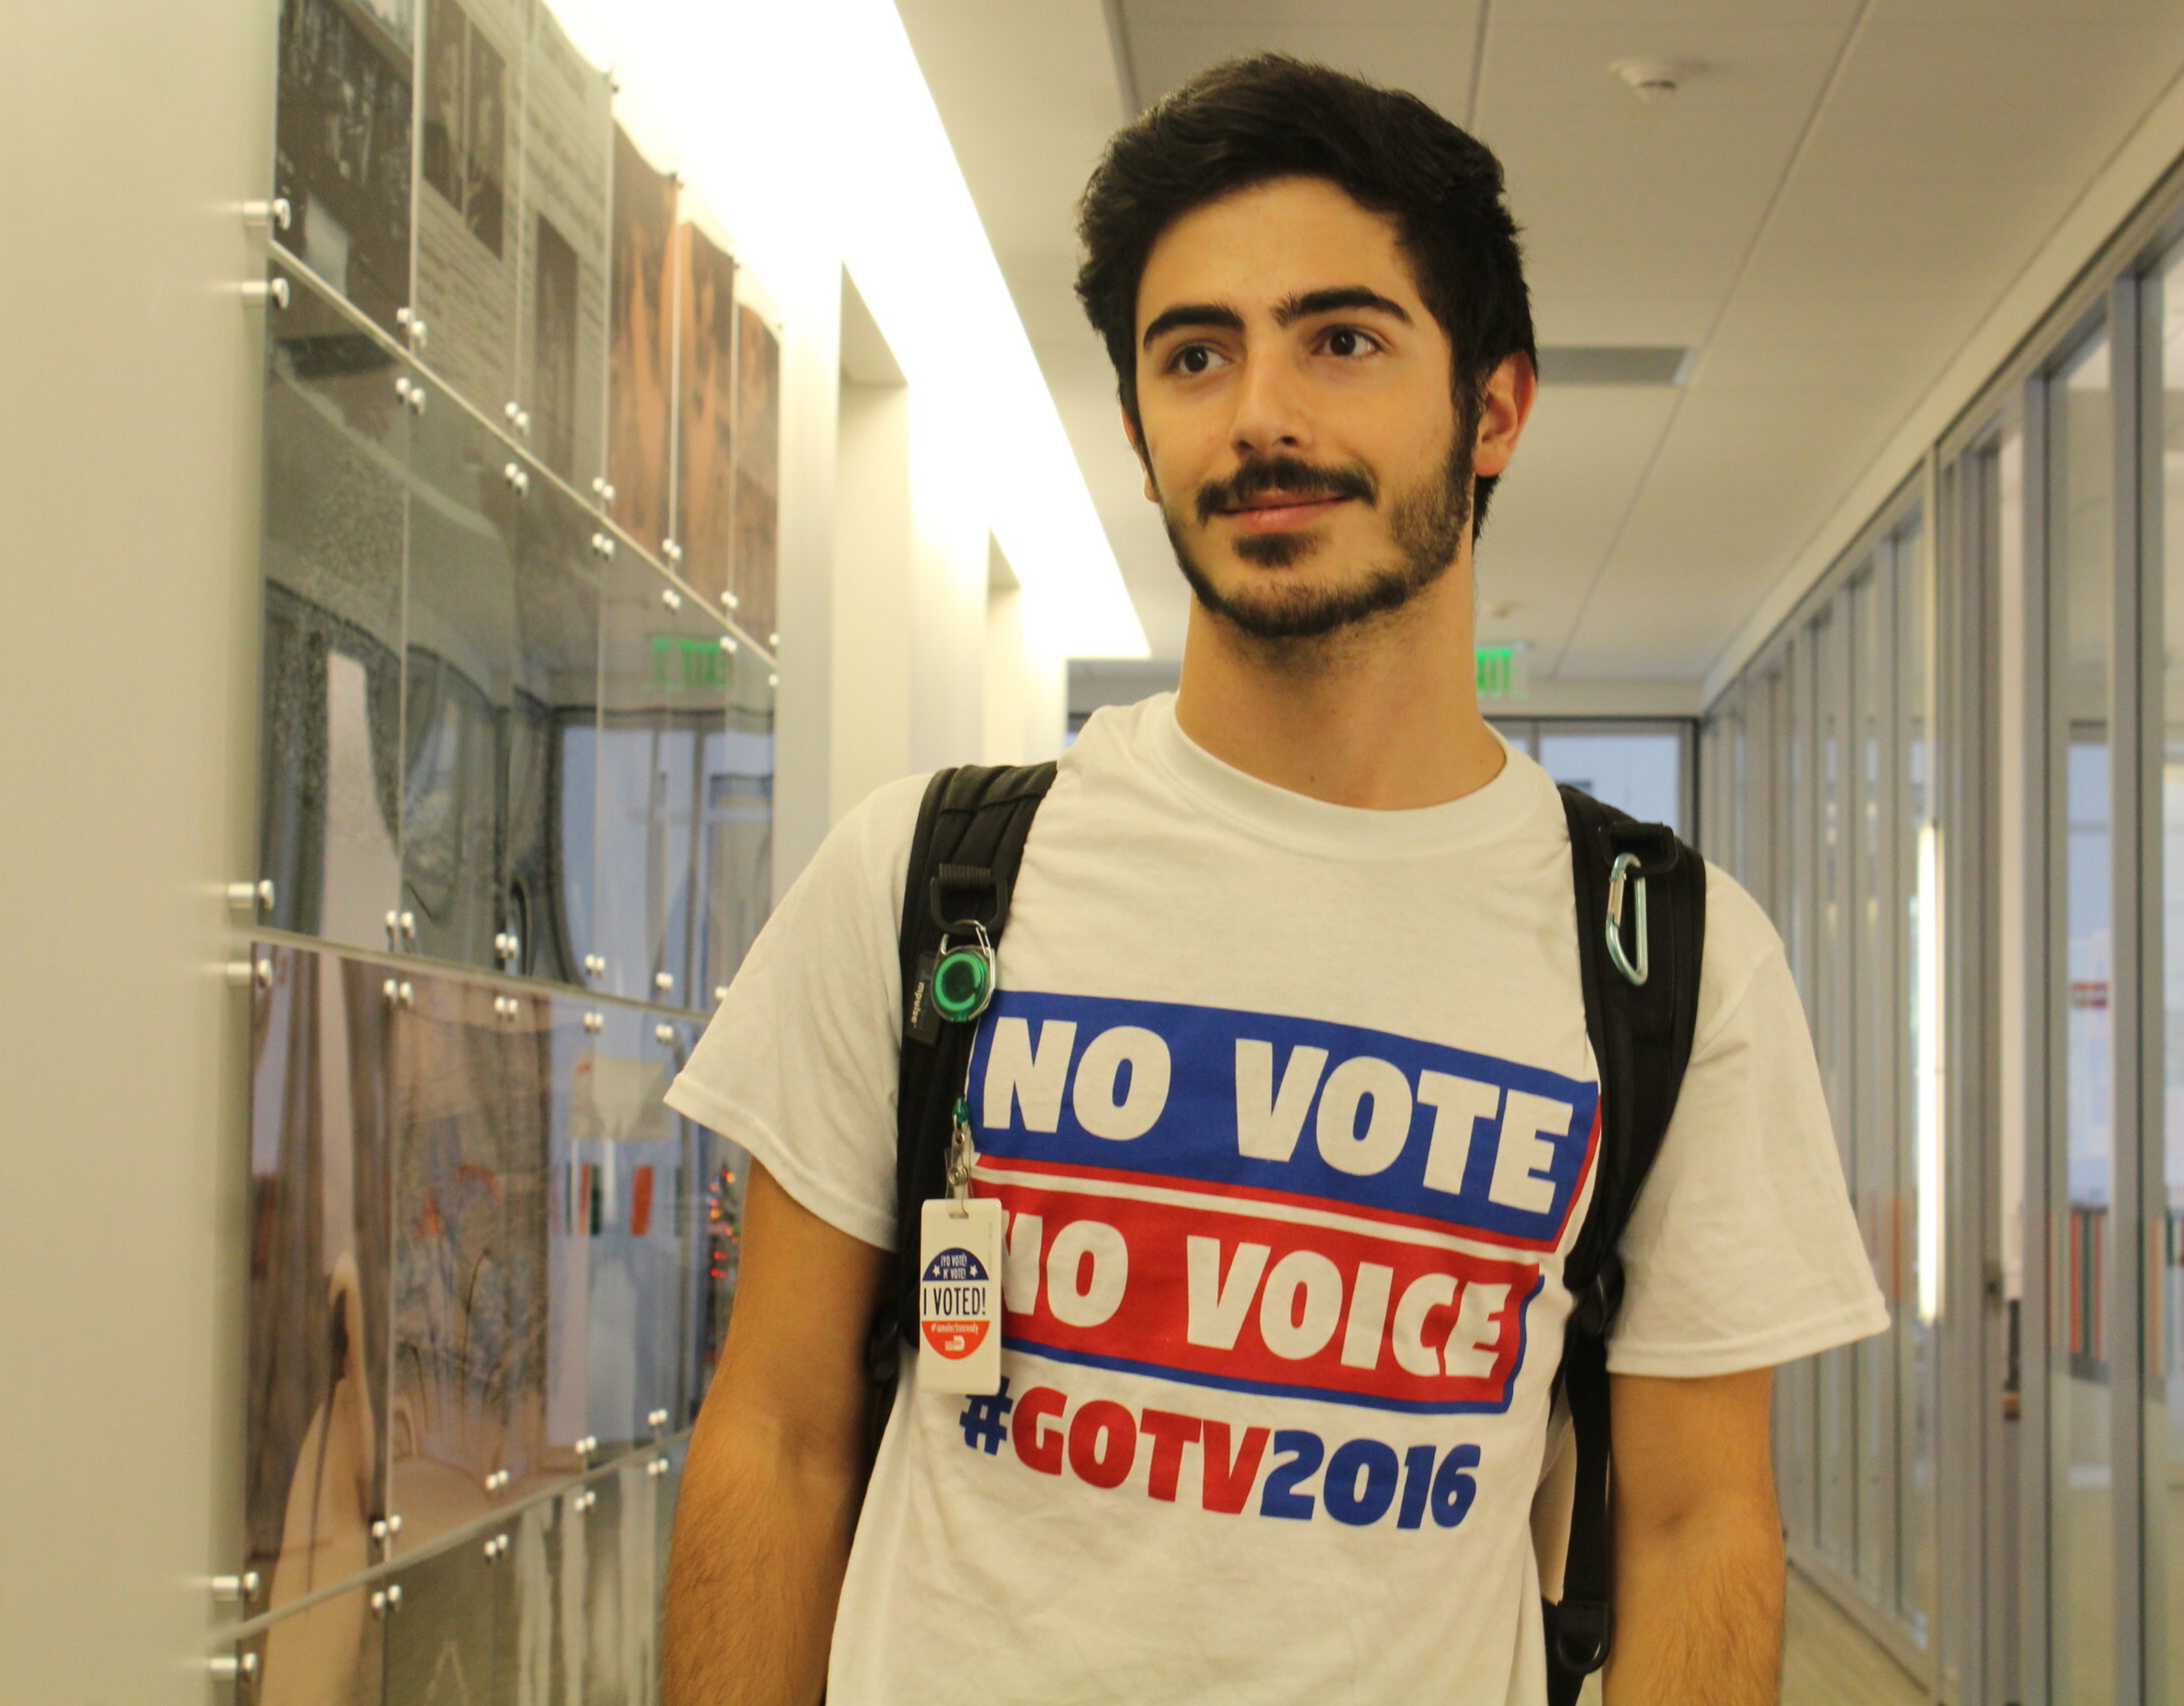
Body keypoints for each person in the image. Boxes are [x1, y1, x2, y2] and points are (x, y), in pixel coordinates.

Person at [660, 54, 1886, 1706]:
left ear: (1496, 407)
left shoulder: (1666, 959)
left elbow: (1695, 1531)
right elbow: (780, 1442)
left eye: (1345, 339)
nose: (1260, 415)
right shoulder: (927, 880)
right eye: (1196, 356)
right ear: (1141, 432)